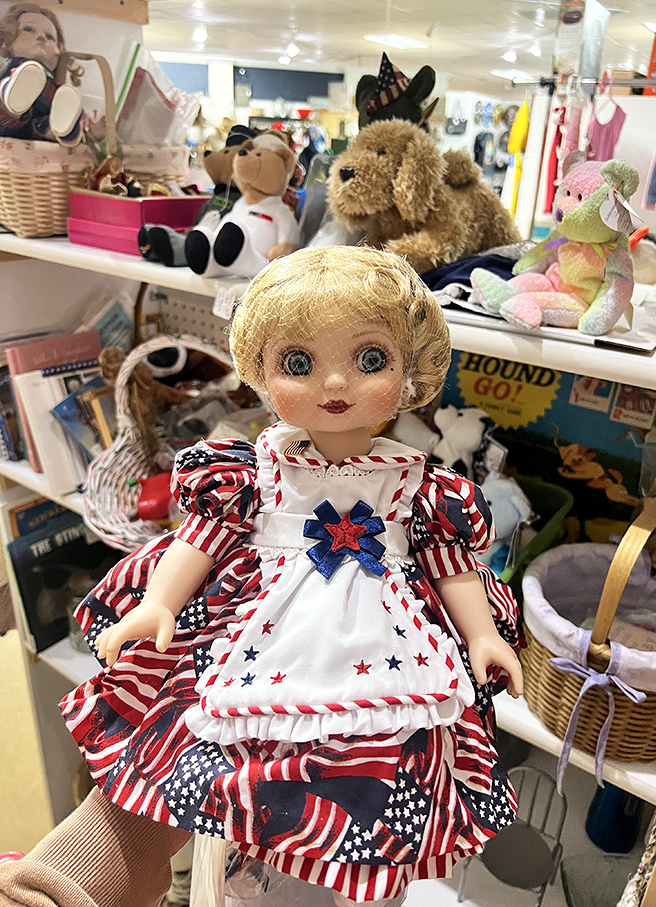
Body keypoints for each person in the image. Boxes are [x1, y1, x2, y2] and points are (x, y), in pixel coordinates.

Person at [0, 246, 523, 907]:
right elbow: (201, 535)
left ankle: (360, 868)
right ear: (261, 368)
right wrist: (159, 603)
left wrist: (481, 635)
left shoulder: (421, 484)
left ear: (411, 367)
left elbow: (450, 561)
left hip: (385, 635)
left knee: (384, 764)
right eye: (299, 363)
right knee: (231, 749)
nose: (334, 385)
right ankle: (252, 858)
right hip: (265, 624)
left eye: (369, 360)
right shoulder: (251, 473)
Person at [0, 3, 84, 144]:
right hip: (6, 117)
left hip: (37, 127)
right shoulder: (6, 63)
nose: (41, 37)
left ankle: (65, 130)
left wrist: (93, 129)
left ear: (58, 54)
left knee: (61, 112)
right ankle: (12, 99)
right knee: (8, 88)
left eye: (50, 37)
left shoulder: (55, 86)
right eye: (29, 29)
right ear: (7, 41)